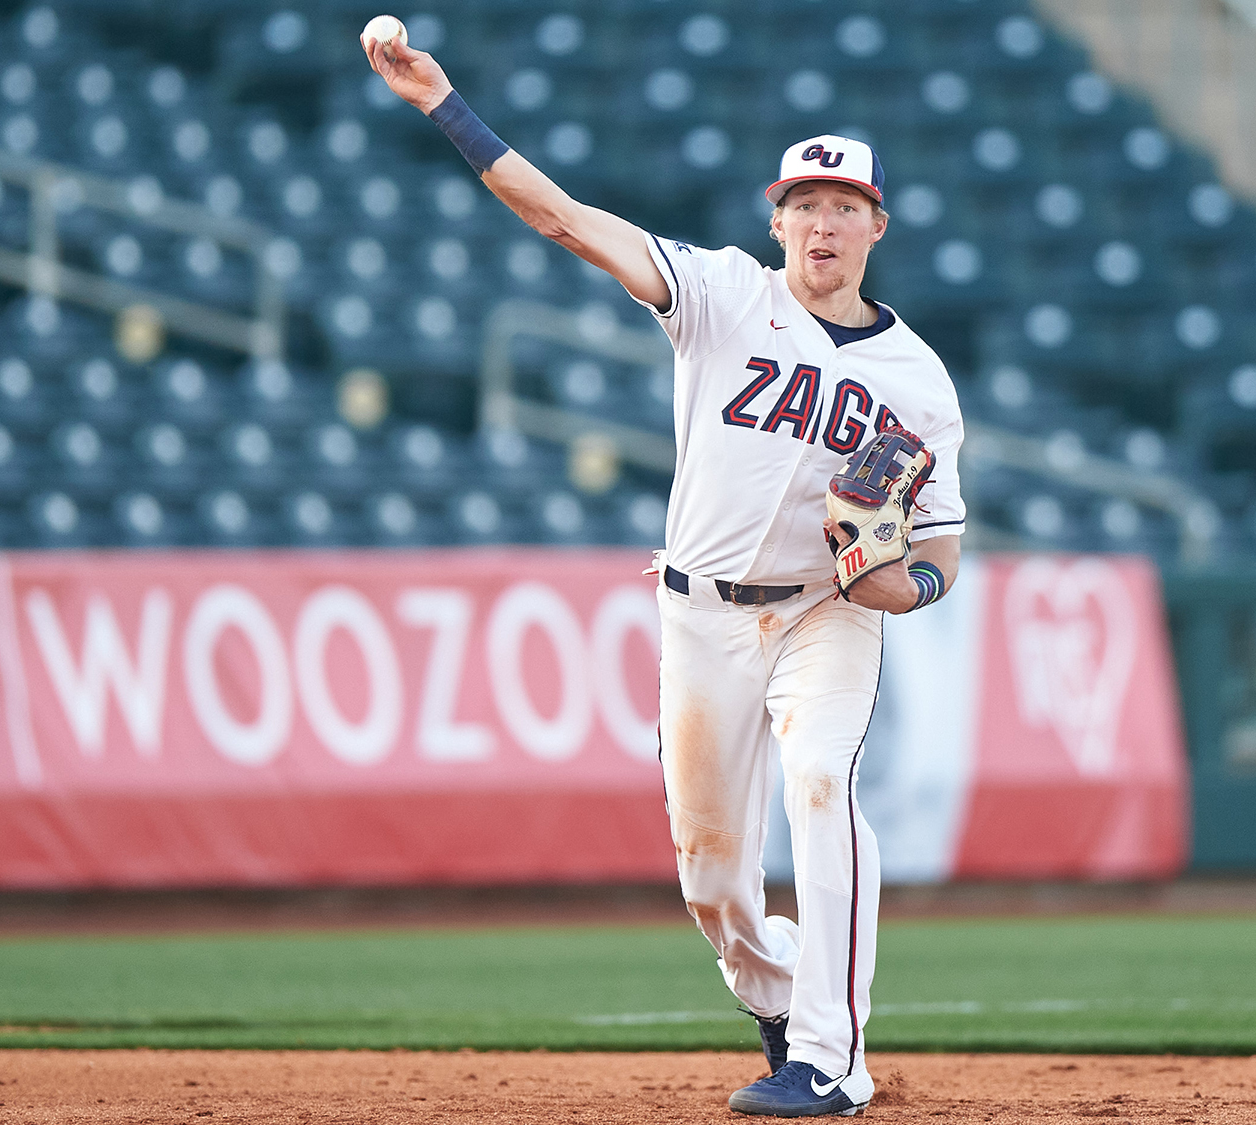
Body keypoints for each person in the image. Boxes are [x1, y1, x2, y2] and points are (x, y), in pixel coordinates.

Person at [364, 23, 966, 1118]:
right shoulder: (724, 295)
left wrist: (906, 587)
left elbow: (942, 543)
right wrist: (445, 107)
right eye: (802, 202)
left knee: (824, 788)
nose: (820, 221)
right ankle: (780, 1005)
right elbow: (562, 218)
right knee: (712, 885)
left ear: (877, 224)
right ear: (773, 218)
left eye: (843, 204)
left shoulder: (916, 377)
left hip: (826, 617)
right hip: (698, 618)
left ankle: (830, 1061)